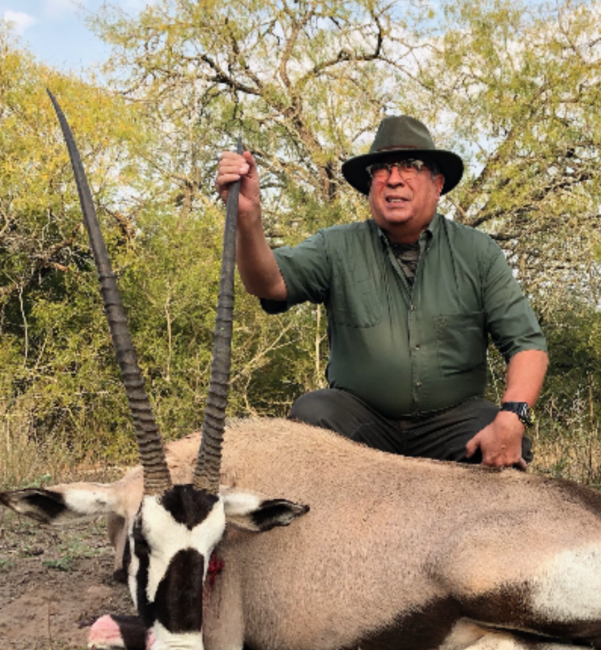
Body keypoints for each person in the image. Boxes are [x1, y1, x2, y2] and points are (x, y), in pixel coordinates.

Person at [214, 116, 548, 469]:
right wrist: (247, 218)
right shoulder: (335, 246)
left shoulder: (478, 253)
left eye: (410, 166)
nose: (393, 178)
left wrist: (514, 416)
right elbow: (267, 283)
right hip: (362, 421)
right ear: (370, 186)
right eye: (381, 169)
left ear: (437, 184)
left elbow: (527, 345)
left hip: (453, 424)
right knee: (312, 413)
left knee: (504, 440)